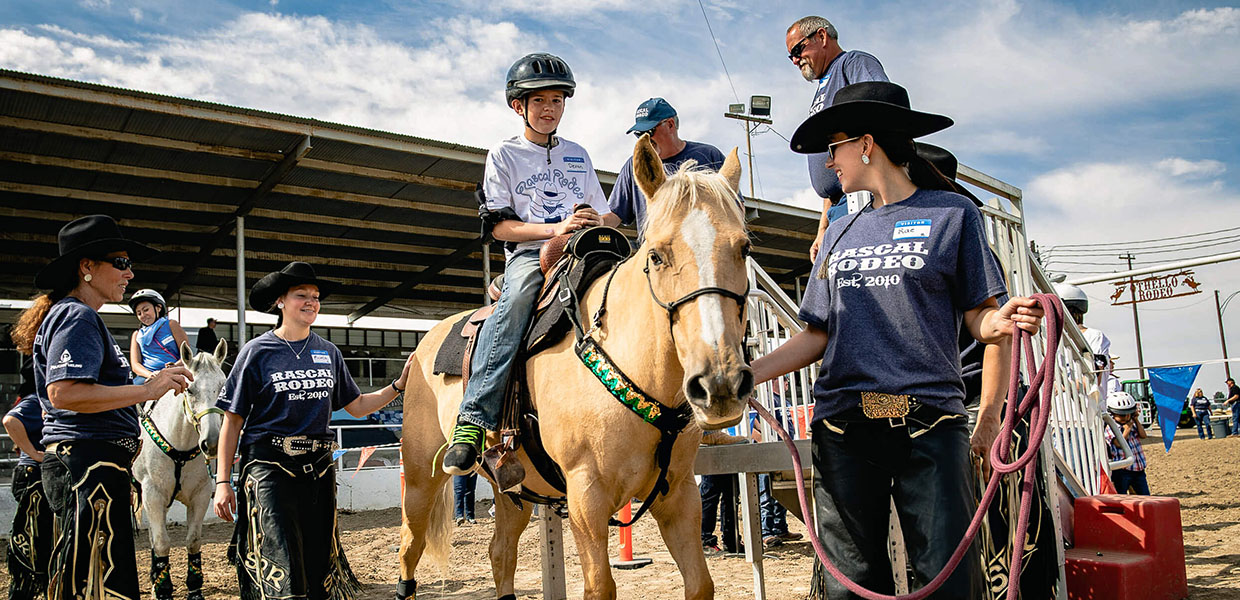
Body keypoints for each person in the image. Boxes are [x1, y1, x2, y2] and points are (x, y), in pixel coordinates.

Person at [756, 81, 1045, 597]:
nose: (829, 163)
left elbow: (979, 316)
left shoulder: (954, 215)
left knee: (947, 581)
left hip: (929, 426)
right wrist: (747, 374)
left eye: (834, 147)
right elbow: (818, 334)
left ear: (866, 144)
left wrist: (995, 325)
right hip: (843, 429)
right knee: (849, 587)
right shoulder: (840, 232)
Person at [442, 53, 611, 474]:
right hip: (530, 254)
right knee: (517, 299)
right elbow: (500, 229)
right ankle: (474, 420)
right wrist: (556, 229)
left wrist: (594, 221)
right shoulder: (504, 154)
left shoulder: (579, 154)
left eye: (557, 100)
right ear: (519, 106)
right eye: (540, 101)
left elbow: (603, 211)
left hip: (585, 245)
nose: (550, 108)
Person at [10, 214, 193, 600]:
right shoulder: (77, 315)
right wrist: (150, 389)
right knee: (98, 581)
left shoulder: (77, 316)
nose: (130, 274)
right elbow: (65, 393)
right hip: (86, 467)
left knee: (95, 576)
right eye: (121, 263)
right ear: (87, 267)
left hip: (94, 464)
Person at [212, 261, 412, 600]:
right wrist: (222, 482)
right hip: (268, 468)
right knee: (282, 564)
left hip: (318, 471)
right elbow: (232, 421)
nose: (311, 302)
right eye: (301, 295)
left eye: (316, 297)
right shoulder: (256, 352)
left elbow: (357, 406)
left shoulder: (328, 351)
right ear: (280, 302)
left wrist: (397, 385)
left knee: (318, 568)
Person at [784, 15, 889, 262]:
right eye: (791, 56)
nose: (796, 60)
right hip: (839, 206)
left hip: (864, 200)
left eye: (798, 50)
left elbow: (883, 114)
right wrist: (822, 229)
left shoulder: (853, 63)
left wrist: (881, 201)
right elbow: (828, 171)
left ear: (821, 36)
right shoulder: (823, 86)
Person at [603, 97, 728, 239]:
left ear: (670, 125)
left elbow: (736, 205)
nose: (644, 139)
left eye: (649, 131)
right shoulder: (635, 164)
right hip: (656, 255)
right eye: (638, 134)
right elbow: (616, 214)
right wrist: (596, 222)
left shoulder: (709, 155)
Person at [3, 360, 52, 599]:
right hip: (31, 475)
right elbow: (10, 421)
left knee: (39, 536)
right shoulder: (35, 401)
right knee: (32, 537)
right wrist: (32, 453)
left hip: (35, 475)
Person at [1053, 283, 1118, 403]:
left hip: (1087, 413)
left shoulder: (1094, 336)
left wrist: (1061, 386)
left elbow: (1093, 378)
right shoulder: (1054, 340)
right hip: (1059, 413)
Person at [699, 429, 747, 555]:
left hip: (724, 445)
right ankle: (705, 540)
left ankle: (731, 540)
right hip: (710, 444)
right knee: (711, 494)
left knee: (730, 494)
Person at [128, 288, 189, 385]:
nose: (143, 315)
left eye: (146, 310)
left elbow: (187, 356)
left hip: (174, 372)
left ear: (158, 308)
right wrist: (151, 375)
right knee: (128, 396)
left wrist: (174, 366)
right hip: (148, 376)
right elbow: (135, 365)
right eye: (139, 313)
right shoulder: (136, 335)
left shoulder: (172, 325)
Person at [1104, 391, 1149, 495]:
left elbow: (1143, 435)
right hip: (1122, 470)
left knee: (1144, 496)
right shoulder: (1111, 427)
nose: (1125, 418)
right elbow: (1118, 443)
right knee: (1121, 495)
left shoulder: (1132, 423)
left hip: (1138, 468)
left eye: (1128, 415)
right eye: (1121, 415)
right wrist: (1127, 429)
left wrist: (1136, 420)